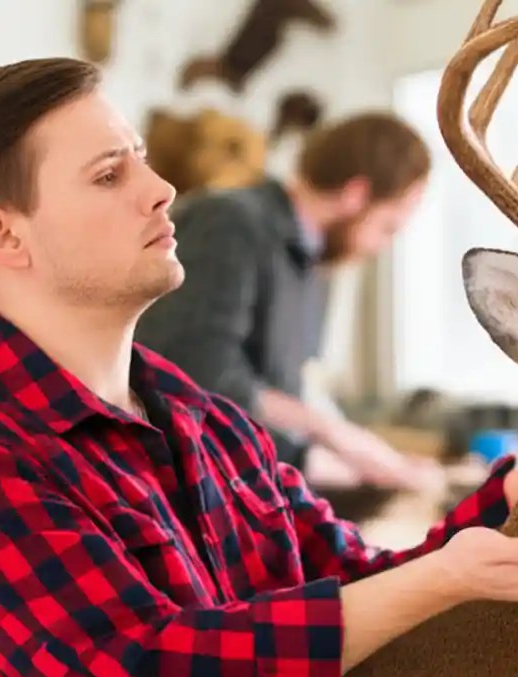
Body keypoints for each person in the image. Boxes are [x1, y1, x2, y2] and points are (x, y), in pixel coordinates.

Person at [0, 56, 518, 677]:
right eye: (108, 175)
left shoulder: (208, 422)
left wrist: (509, 506)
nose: (161, 190)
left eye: (143, 162)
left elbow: (350, 579)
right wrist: (444, 579)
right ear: (3, 236)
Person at [134, 112, 436, 491]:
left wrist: (368, 455)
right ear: (356, 194)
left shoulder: (306, 261)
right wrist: (322, 438)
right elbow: (199, 372)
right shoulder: (230, 222)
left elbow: (285, 390)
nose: (380, 246)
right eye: (387, 227)